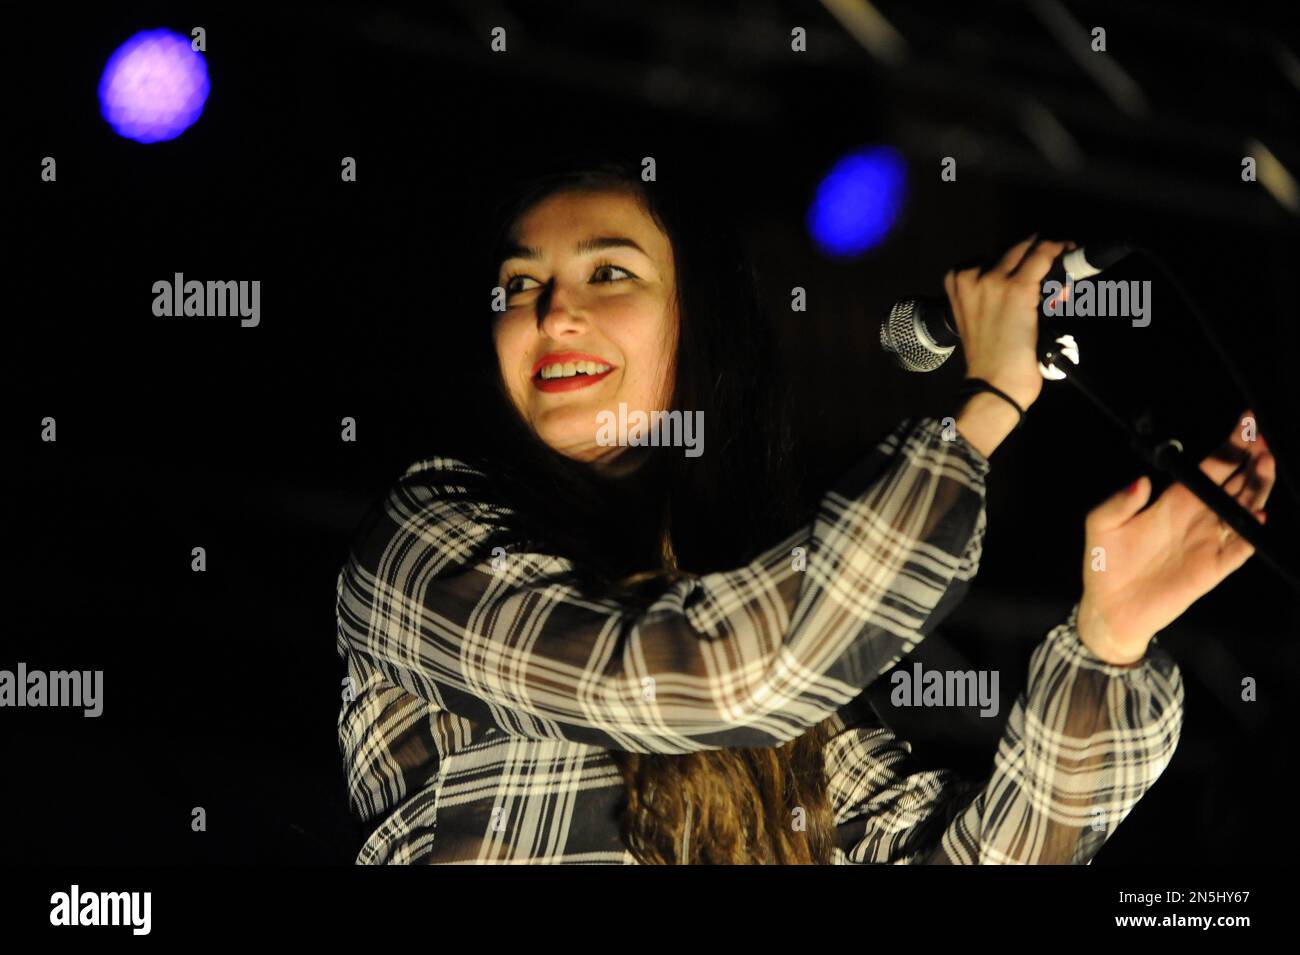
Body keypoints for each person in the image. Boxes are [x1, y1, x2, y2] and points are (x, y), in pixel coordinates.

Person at [335, 157, 1275, 864]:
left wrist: (1109, 640)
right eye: (518, 286)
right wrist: (981, 410)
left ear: (701, 324)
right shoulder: (428, 540)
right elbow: (694, 681)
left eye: (608, 273)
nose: (551, 314)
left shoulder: (781, 664)